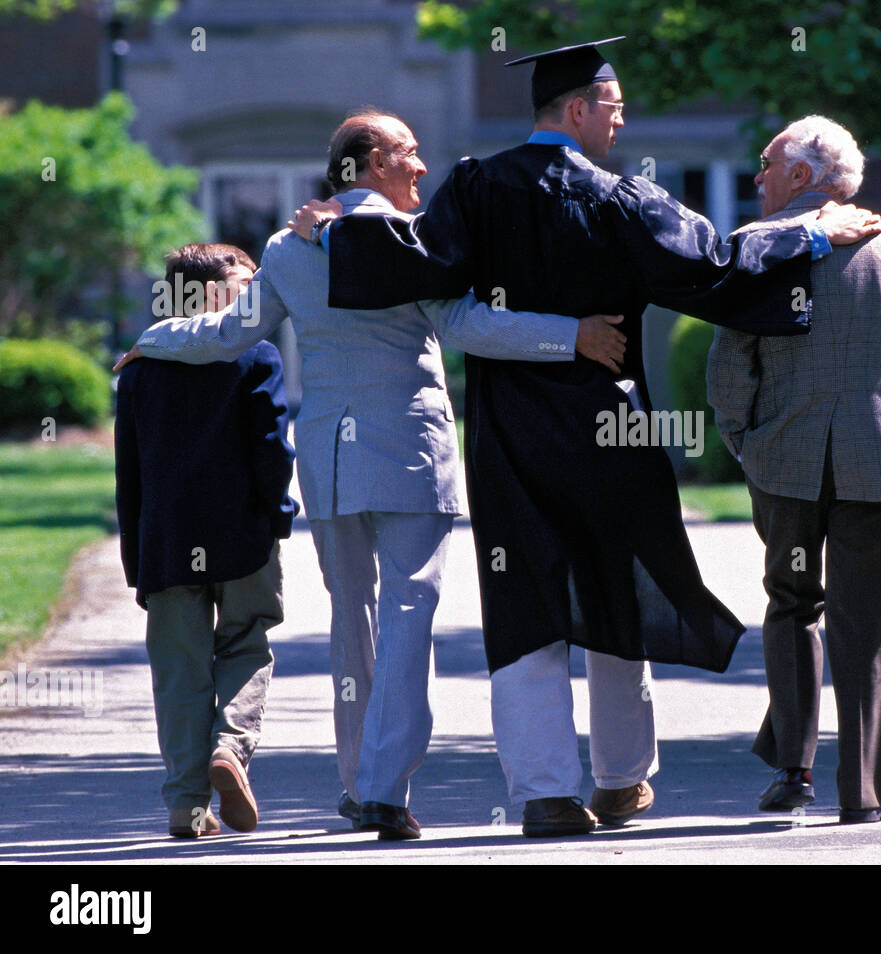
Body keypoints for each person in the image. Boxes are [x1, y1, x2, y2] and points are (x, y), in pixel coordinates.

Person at [299, 38, 880, 837]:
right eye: (612, 107)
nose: (620, 120)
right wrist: (813, 233)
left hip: (511, 434)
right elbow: (711, 264)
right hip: (610, 426)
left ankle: (542, 792)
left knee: (525, 601)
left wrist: (337, 232)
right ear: (576, 110)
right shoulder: (620, 198)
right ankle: (620, 779)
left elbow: (420, 259)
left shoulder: (475, 184)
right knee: (619, 588)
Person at [114, 111, 628, 840]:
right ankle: (384, 790)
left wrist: (151, 338)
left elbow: (226, 333)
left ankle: (358, 786)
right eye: (410, 153)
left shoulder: (288, 248)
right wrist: (569, 334)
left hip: (331, 460)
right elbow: (470, 326)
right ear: (373, 162)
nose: (422, 167)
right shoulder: (409, 243)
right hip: (409, 456)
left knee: (351, 627)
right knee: (407, 619)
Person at [708, 115, 881, 824]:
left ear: (801, 175)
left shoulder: (751, 248)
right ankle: (863, 793)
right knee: (865, 621)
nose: (758, 175)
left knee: (792, 605)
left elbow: (731, 359)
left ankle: (793, 773)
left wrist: (743, 438)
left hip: (785, 459)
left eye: (767, 163)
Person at [116, 242, 298, 838]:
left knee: (179, 670)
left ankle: (186, 805)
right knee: (246, 644)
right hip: (243, 533)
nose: (256, 292)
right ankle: (231, 750)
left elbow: (130, 473)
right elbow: (271, 449)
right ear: (204, 292)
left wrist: (135, 559)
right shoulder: (257, 357)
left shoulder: (139, 369)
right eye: (244, 280)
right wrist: (278, 517)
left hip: (166, 542)